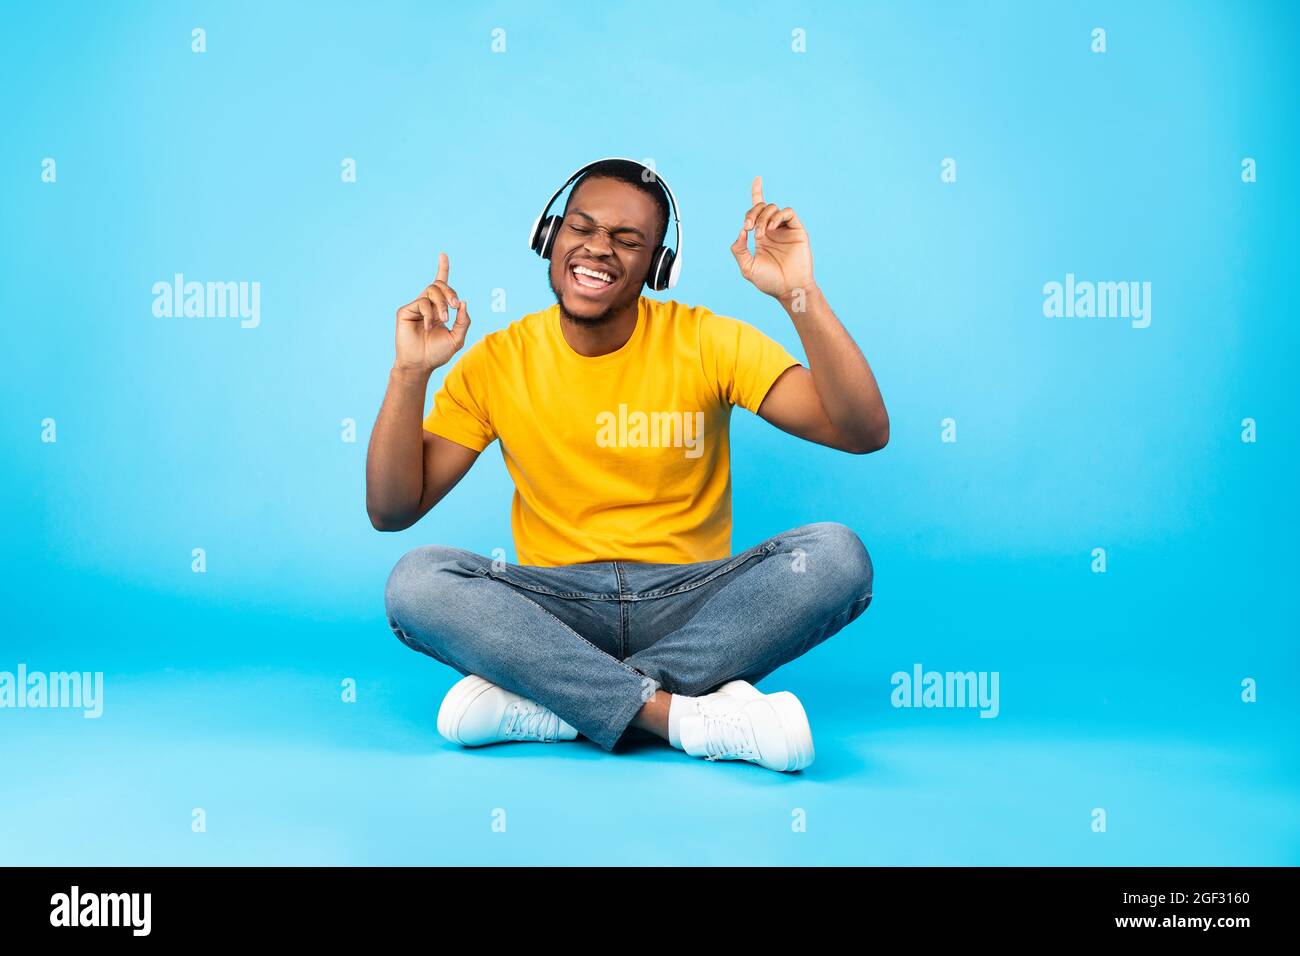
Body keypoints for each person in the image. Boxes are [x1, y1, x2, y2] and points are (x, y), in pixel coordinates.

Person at [366, 158, 888, 772]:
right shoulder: (498, 362)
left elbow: (862, 431)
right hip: (555, 607)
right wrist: (410, 373)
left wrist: (799, 291)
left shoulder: (707, 341)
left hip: (688, 602)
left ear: (657, 266)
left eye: (627, 239)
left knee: (836, 554)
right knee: (417, 579)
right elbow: (392, 510)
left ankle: (558, 702)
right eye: (581, 228)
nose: (597, 249)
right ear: (550, 238)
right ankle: (680, 717)